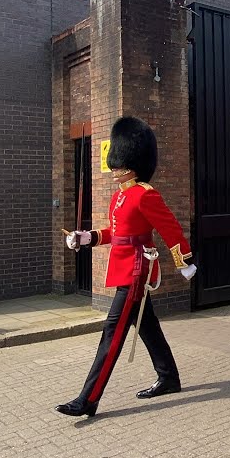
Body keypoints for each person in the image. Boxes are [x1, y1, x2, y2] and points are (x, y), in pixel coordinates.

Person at [56, 117, 198, 417]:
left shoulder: (146, 194)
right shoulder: (122, 194)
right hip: (123, 267)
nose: (113, 166)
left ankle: (88, 398)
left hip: (137, 269)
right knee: (147, 325)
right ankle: (169, 378)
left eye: (118, 162)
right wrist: (87, 237)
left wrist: (184, 262)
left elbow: (170, 228)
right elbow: (115, 232)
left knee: (112, 331)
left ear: (131, 161)